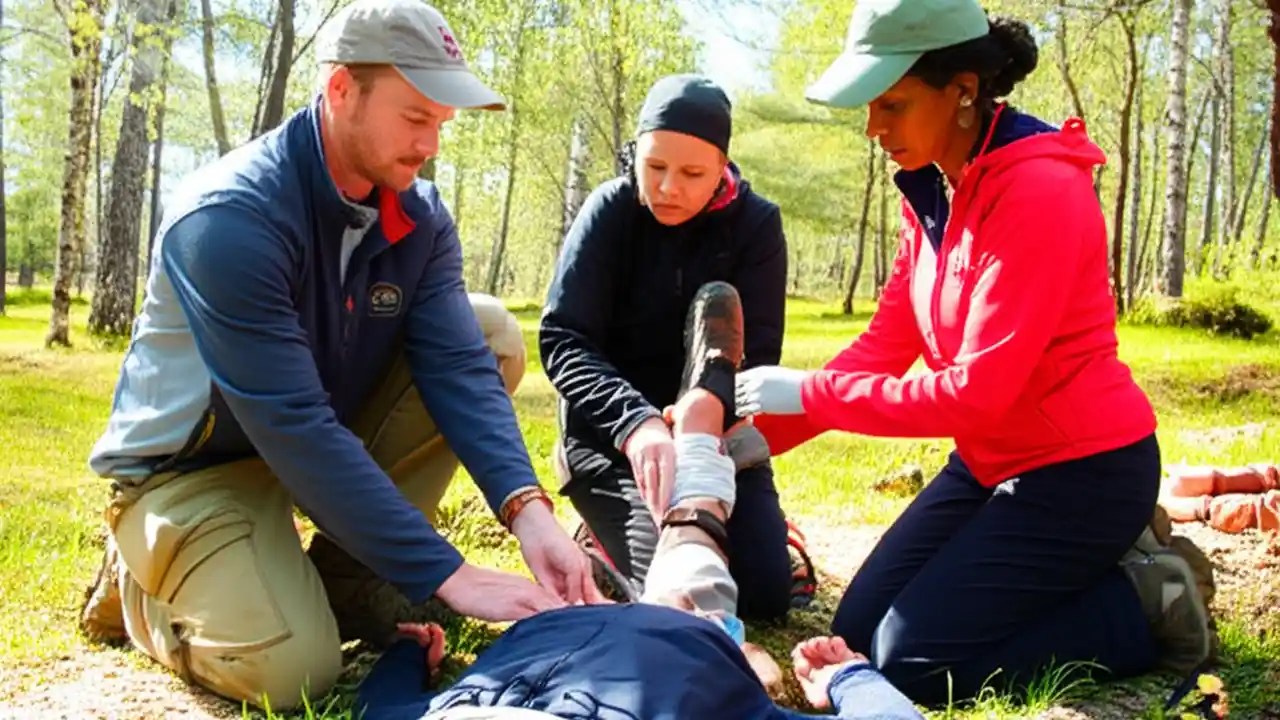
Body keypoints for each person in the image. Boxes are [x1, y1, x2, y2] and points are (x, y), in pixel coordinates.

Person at [77, 0, 601, 710]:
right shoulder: (230, 219)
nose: (432, 146)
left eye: (442, 124)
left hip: (315, 441)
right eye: (415, 117)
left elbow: (458, 368)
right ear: (340, 91)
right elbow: (292, 421)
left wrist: (528, 512)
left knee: (487, 334)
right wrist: (449, 574)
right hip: (193, 471)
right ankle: (140, 584)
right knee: (291, 674)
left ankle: (351, 585)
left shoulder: (419, 217)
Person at [733, 0, 1217, 706]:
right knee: (861, 629)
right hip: (990, 463)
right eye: (870, 107)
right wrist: (749, 439)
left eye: (892, 105)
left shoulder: (1040, 190)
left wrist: (807, 392)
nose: (873, 128)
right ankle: (1063, 576)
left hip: (1084, 474)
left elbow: (977, 391)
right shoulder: (929, 187)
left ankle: (1148, 599)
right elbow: (888, 344)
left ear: (962, 89)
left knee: (910, 664)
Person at [357, 293, 924, 719]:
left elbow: (382, 709)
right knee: (695, 566)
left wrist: (407, 656)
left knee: (693, 590)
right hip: (678, 643)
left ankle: (693, 453)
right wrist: (847, 679)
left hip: (554, 628)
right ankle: (702, 434)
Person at [539, 74, 800, 619]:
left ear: (723, 168)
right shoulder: (610, 212)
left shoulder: (756, 226)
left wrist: (700, 419)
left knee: (765, 596)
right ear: (635, 153)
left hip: (716, 436)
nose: (667, 188)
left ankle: (768, 535)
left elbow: (760, 356)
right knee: (670, 590)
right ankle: (598, 533)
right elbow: (563, 338)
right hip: (612, 441)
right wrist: (636, 422)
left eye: (691, 173)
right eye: (654, 167)